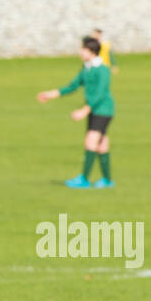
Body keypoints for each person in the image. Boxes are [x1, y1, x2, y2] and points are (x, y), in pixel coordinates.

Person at [37, 36, 115, 188]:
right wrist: (51, 94)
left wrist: (85, 110)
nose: (80, 52)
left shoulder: (103, 70)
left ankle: (84, 179)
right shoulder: (86, 69)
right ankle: (107, 180)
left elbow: (100, 93)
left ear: (91, 51)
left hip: (103, 110)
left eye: (83, 49)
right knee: (101, 144)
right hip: (95, 110)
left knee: (90, 141)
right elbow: (72, 86)